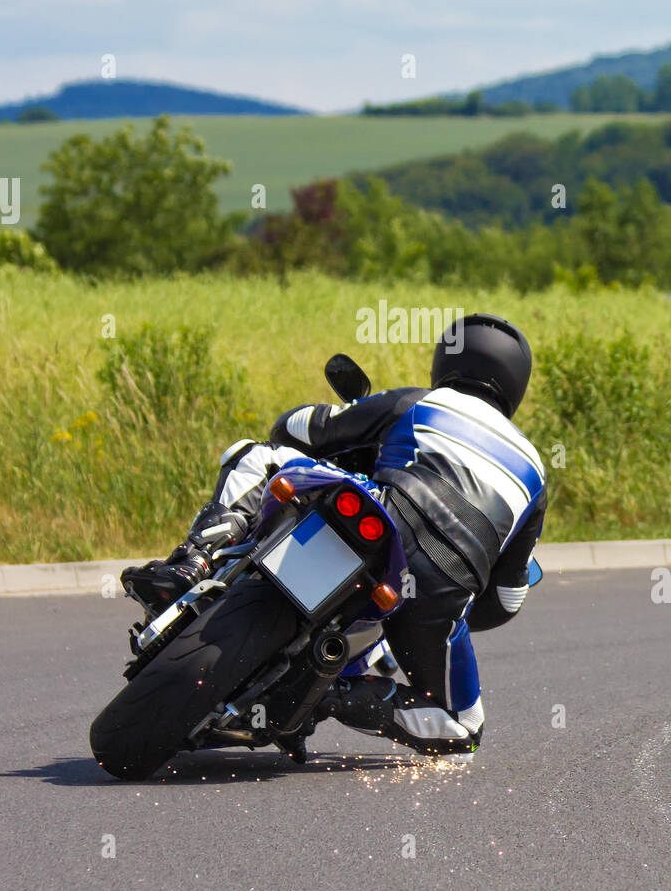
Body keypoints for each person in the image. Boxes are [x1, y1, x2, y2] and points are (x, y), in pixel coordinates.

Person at [121, 314, 547, 756]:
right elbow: (509, 595)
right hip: (439, 591)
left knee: (256, 455)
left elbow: (302, 428)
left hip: (386, 512)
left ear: (445, 362)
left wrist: (332, 432)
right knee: (464, 731)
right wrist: (456, 614)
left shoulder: (419, 402)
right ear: (516, 383)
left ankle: (195, 561)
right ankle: (328, 695)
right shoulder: (535, 471)